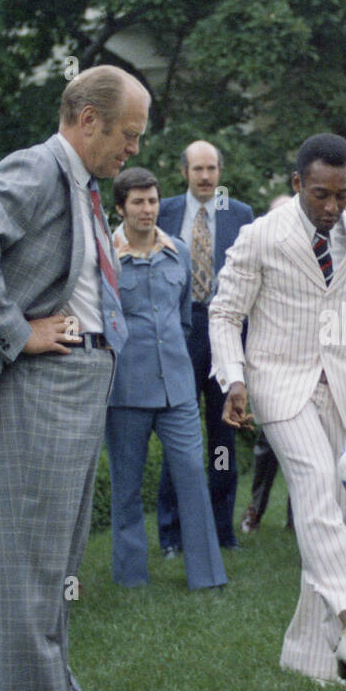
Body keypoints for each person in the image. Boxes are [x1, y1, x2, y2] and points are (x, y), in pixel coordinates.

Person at [0, 64, 146, 691]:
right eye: (127, 135)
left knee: (57, 564)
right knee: (33, 569)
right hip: (41, 388)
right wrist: (17, 332)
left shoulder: (80, 186)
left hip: (77, 385)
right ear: (88, 120)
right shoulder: (33, 168)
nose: (133, 151)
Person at [211, 133, 346, 684]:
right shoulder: (260, 235)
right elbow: (224, 313)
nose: (332, 208)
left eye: (342, 195)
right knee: (314, 485)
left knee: (340, 512)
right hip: (278, 383)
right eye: (320, 195)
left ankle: (313, 659)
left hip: (342, 386)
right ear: (296, 184)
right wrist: (234, 380)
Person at [104, 166, 227, 591]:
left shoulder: (178, 250)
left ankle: (207, 576)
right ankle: (131, 578)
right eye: (137, 202)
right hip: (125, 392)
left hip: (177, 387)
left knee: (193, 474)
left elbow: (183, 319)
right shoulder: (103, 256)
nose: (147, 209)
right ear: (120, 207)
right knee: (126, 487)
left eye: (153, 200)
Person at [154, 140, 254, 555]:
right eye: (198, 169)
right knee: (179, 433)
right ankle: (172, 533)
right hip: (178, 329)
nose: (206, 177)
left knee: (222, 436)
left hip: (224, 331)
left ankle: (220, 529)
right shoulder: (164, 212)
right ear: (184, 172)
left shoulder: (241, 215)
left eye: (212, 168)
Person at [241, 194, 300, 537]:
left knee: (309, 450)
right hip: (273, 368)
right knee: (267, 447)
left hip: (310, 367)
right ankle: (255, 508)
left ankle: (298, 518)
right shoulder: (260, 257)